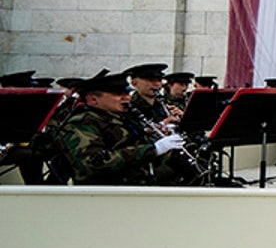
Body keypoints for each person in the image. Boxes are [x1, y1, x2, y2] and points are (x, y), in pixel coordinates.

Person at [49, 70, 188, 185]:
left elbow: (147, 157)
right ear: (93, 100)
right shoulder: (82, 123)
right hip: (106, 193)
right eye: (117, 94)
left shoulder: (125, 118)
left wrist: (162, 141)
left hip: (137, 187)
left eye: (127, 93)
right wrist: (153, 149)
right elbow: (93, 163)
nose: (126, 98)